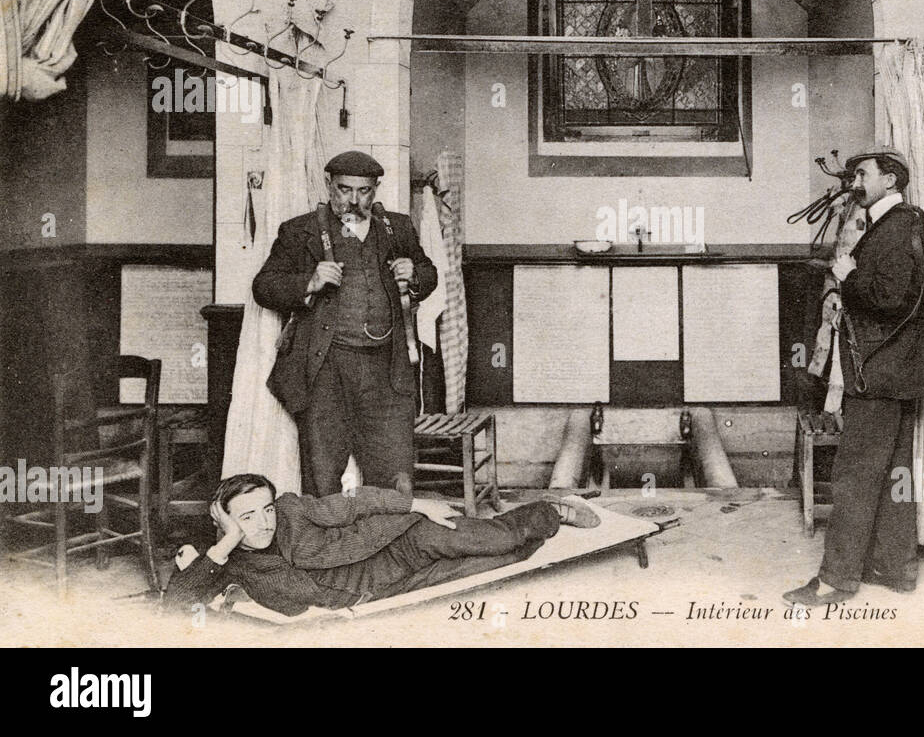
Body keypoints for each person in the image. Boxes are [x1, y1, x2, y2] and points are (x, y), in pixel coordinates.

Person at [784, 146, 924, 607]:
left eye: (863, 173)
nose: (855, 180)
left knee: (854, 475)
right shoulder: (897, 224)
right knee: (894, 472)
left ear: (890, 180)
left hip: (879, 370)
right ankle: (894, 570)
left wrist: (847, 275)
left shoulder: (896, 226)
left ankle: (836, 580)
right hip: (897, 370)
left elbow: (891, 299)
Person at [254, 150, 437, 497]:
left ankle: (385, 544)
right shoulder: (299, 231)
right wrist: (308, 281)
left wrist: (415, 275)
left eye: (364, 191)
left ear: (376, 189)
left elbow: (428, 273)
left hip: (386, 370)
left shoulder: (396, 228)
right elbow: (263, 286)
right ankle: (328, 548)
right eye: (344, 189)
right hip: (326, 369)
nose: (353, 200)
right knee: (323, 476)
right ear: (328, 185)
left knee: (393, 474)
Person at [162, 473, 600, 617]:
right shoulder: (234, 564)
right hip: (387, 588)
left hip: (403, 540)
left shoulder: (293, 509)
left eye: (266, 509)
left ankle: (551, 509)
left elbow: (354, 504)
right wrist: (226, 543)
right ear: (225, 525)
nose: (264, 523)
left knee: (498, 539)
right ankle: (530, 526)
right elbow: (173, 605)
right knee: (504, 561)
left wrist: (417, 504)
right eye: (246, 517)